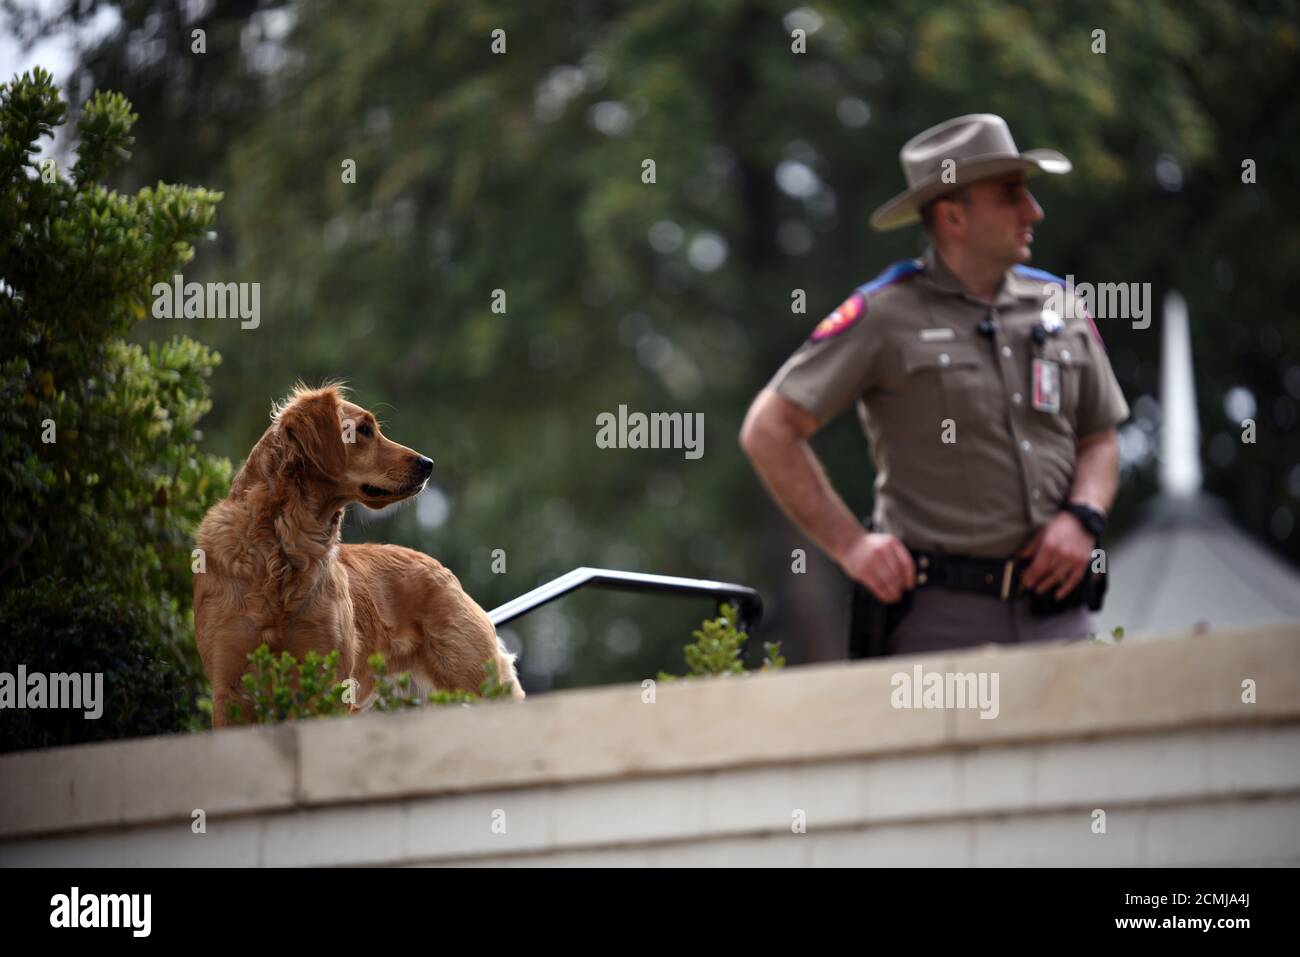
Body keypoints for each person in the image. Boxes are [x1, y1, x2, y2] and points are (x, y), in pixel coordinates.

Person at [739, 114, 1129, 655]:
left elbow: (1100, 440)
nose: (1033, 211)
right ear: (952, 217)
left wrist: (1082, 518)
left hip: (1058, 618)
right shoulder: (886, 315)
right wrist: (852, 547)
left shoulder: (1061, 305)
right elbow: (769, 430)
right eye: (1011, 195)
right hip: (939, 624)